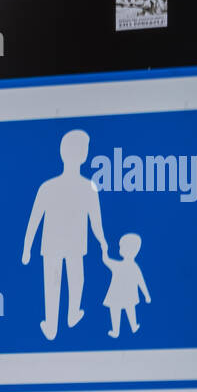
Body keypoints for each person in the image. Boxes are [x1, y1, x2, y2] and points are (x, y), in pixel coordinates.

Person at [22, 129, 109, 341]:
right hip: (70, 245)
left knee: (60, 283)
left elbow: (34, 221)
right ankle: (69, 316)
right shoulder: (86, 187)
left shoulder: (50, 187)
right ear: (84, 155)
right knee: (74, 280)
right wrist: (103, 243)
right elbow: (96, 223)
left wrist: (27, 249)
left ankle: (54, 325)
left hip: (59, 245)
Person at [102, 232, 151, 338]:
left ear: (129, 250)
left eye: (122, 247)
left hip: (118, 294)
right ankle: (130, 327)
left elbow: (141, 282)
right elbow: (141, 283)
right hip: (126, 294)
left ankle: (124, 328)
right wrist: (146, 296)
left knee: (121, 309)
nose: (120, 248)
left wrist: (104, 251)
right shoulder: (130, 266)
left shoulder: (121, 266)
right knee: (126, 308)